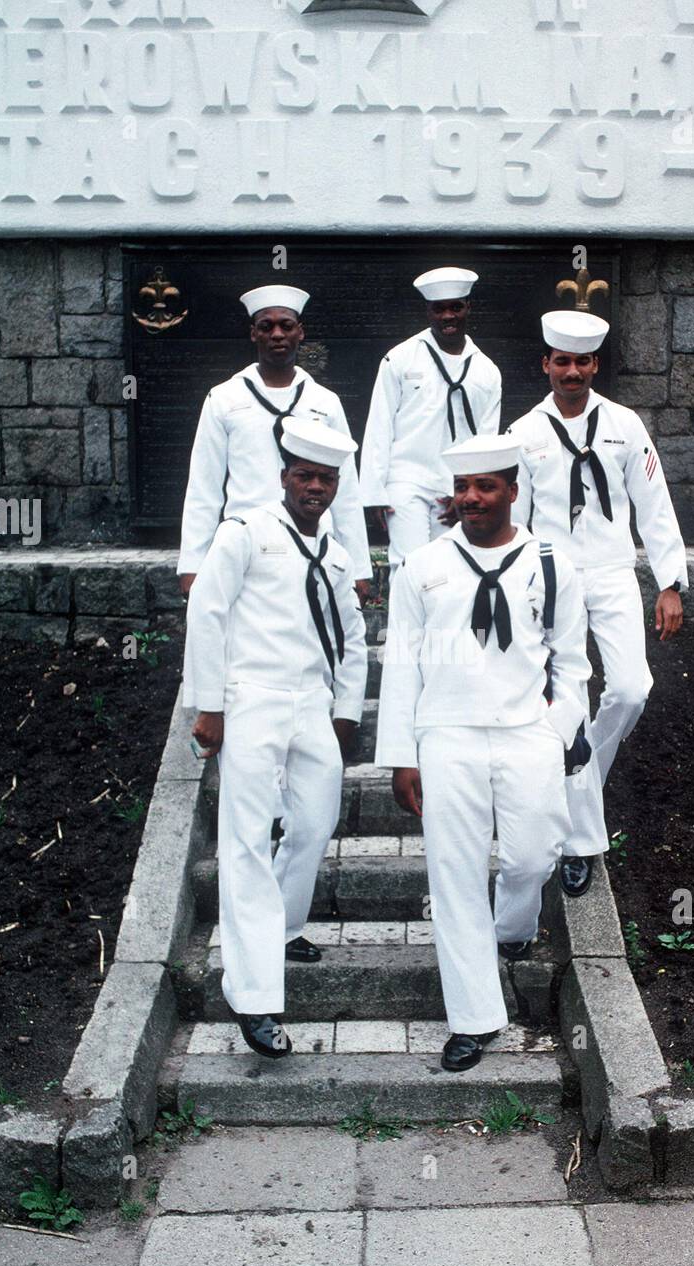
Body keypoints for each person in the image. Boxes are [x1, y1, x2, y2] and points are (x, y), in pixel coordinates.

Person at [375, 434, 592, 1072]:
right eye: (463, 488)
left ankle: (513, 929)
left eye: (486, 486)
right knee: (454, 876)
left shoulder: (551, 563)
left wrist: (558, 730)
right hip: (448, 735)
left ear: (512, 491)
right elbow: (401, 667)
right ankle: (474, 1016)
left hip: (527, 729)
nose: (472, 498)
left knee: (532, 856)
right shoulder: (424, 566)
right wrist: (401, 755)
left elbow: (574, 662)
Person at [184, 418, 368, 1058]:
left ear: (337, 486)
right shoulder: (246, 534)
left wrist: (345, 712)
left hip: (311, 706)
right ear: (284, 477)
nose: (314, 487)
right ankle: (255, 998)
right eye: (304, 476)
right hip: (252, 701)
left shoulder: (337, 555)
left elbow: (351, 639)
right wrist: (209, 707)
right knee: (245, 843)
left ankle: (286, 925)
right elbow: (205, 611)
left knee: (316, 823)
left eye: (326, 479)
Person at [509, 310, 688, 899]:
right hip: (551, 575)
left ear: (594, 366)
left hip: (612, 571)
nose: (573, 371)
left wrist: (669, 582)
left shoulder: (624, 424)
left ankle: (576, 780)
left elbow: (654, 502)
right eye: (562, 361)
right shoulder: (524, 433)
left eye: (583, 362)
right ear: (546, 364)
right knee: (571, 699)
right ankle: (581, 841)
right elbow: (512, 522)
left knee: (633, 689)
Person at [177, 284, 373, 602]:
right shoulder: (224, 398)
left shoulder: (324, 401)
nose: (277, 334)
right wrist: (192, 563)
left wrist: (359, 567)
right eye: (266, 327)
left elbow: (346, 490)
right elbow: (204, 486)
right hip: (247, 543)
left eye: (287, 325)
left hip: (313, 540)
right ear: (253, 334)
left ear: (301, 333)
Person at [359, 267, 502, 570]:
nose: (448, 316)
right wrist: (375, 492)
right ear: (428, 312)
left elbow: (487, 438)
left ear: (468, 308)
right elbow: (379, 424)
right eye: (439, 309)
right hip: (405, 479)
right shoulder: (400, 358)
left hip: (454, 483)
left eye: (456, 307)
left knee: (450, 568)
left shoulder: (486, 370)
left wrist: (467, 490)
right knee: (408, 566)